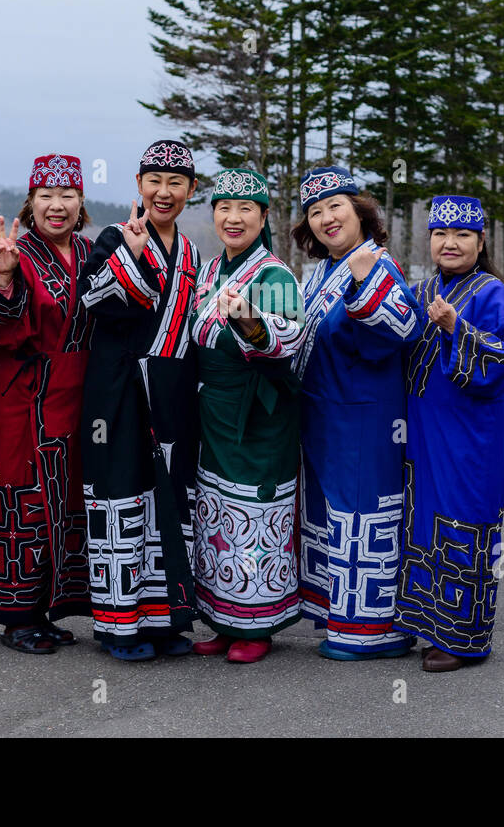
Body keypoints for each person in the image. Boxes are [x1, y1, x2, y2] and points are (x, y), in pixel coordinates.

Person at [78, 139, 203, 661]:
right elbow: (92, 301)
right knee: (121, 496)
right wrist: (128, 256)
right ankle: (117, 625)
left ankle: (162, 619)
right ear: (139, 185)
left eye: (176, 183)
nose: (164, 192)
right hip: (120, 389)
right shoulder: (114, 236)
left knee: (166, 503)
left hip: (173, 392)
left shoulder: (194, 253)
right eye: (155, 181)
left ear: (192, 190)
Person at [290, 165, 420, 660]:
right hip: (325, 415)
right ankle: (338, 613)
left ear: (359, 211)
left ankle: (372, 629)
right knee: (331, 512)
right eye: (316, 212)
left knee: (362, 512)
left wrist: (366, 283)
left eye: (335, 207)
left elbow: (403, 328)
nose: (327, 218)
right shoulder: (320, 271)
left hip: (366, 415)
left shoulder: (376, 262)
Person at [393, 196, 504, 672]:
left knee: (462, 518)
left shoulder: (492, 293)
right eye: (440, 234)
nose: (450, 243)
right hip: (423, 431)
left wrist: (456, 326)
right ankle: (421, 621)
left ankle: (460, 636)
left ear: (481, 241)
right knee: (422, 518)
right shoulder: (420, 288)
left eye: (462, 235)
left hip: (471, 436)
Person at [0, 154, 94, 654]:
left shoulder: (92, 254)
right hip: (26, 394)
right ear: (31, 201)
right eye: (46, 196)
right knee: (23, 498)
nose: (57, 206)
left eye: (67, 196)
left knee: (66, 501)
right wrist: (3, 278)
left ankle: (48, 608)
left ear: (81, 202)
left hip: (78, 393)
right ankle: (17, 617)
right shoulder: (14, 252)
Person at [187, 169, 304, 664]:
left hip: (258, 416)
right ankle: (222, 617)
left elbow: (288, 339)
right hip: (213, 410)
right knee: (216, 513)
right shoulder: (210, 270)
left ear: (263, 217)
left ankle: (258, 624)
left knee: (256, 513)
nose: (233, 218)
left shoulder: (274, 274)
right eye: (223, 208)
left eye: (246, 209)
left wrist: (251, 322)